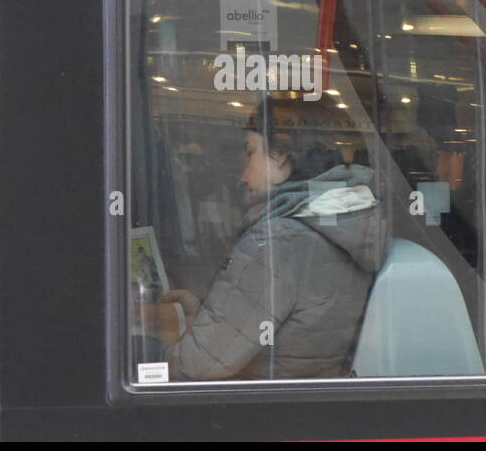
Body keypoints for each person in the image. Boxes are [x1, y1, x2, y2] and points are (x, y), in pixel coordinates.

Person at [158, 95, 387, 380]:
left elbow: (195, 367)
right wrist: (205, 314)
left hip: (259, 399)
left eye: (250, 153)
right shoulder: (343, 226)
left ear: (280, 158)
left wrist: (146, 350)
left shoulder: (278, 241)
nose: (243, 176)